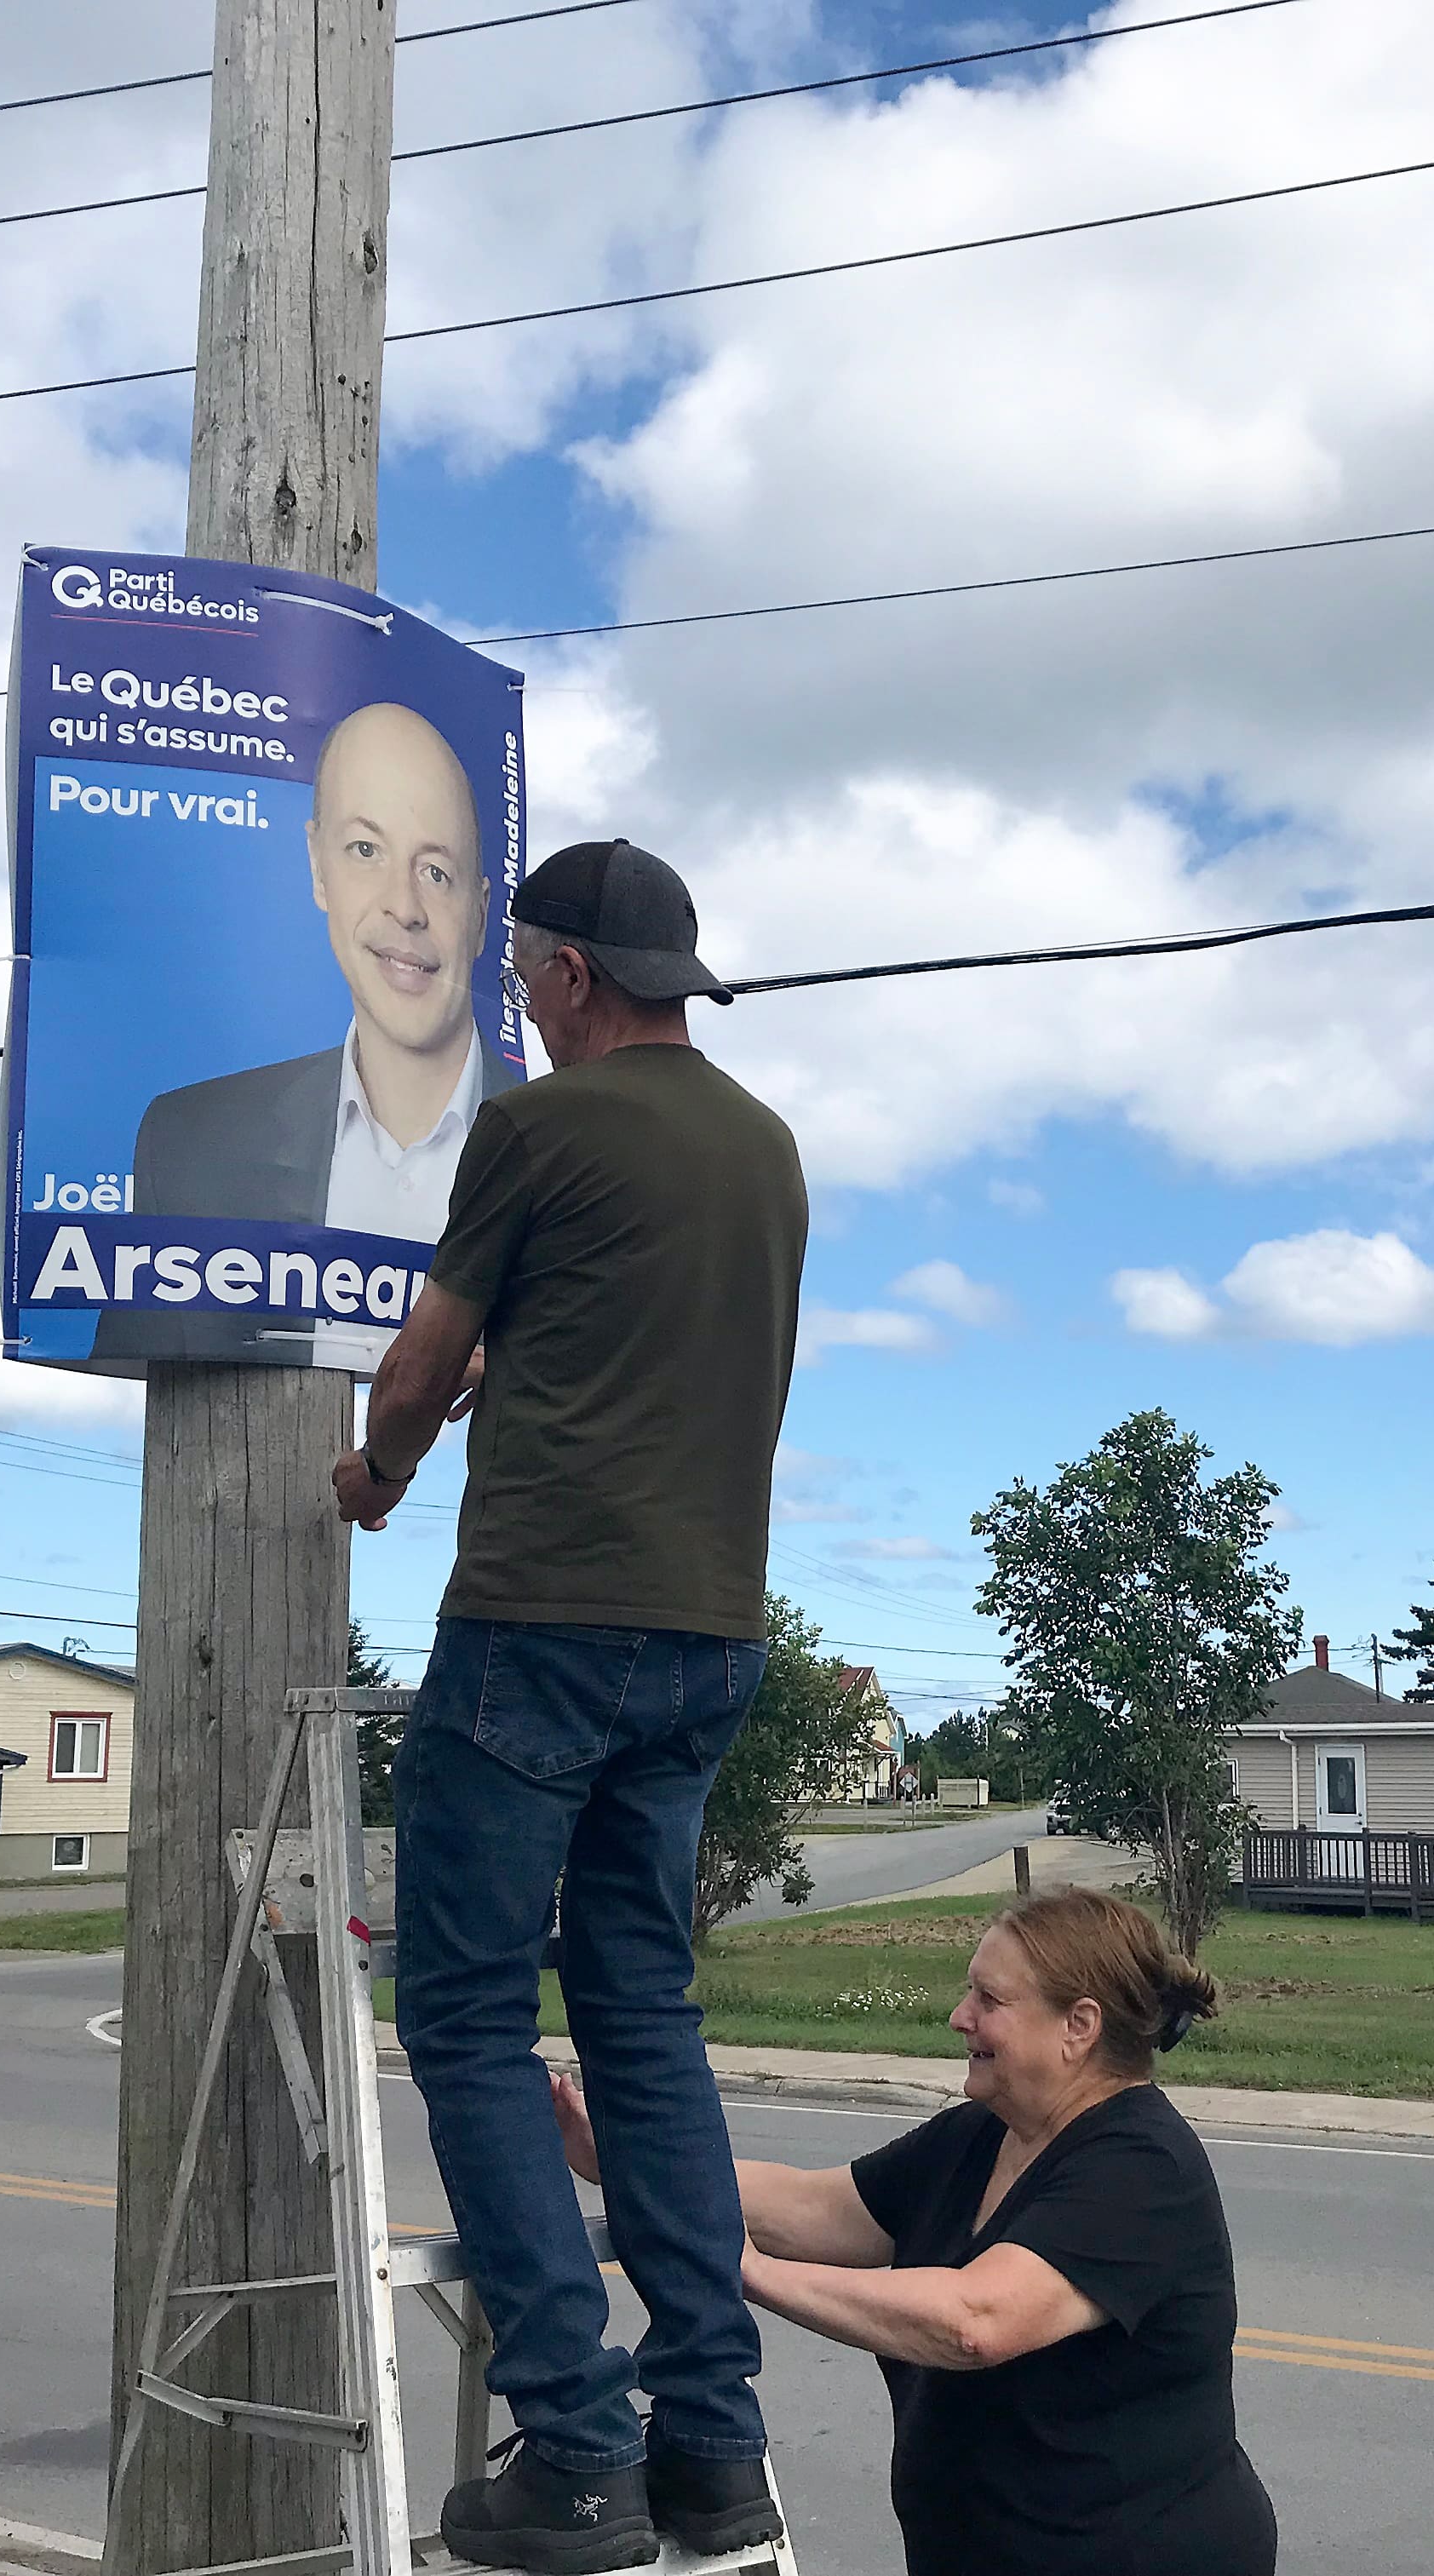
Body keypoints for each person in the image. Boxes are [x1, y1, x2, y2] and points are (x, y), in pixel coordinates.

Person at [332, 837, 807, 2573]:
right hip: (709, 1635)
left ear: (580, 976)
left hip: (543, 1620)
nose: (513, 986)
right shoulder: (765, 1148)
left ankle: (579, 2445)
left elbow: (417, 1363)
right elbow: (587, 1342)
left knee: (460, 2012)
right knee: (642, 2018)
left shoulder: (537, 1131)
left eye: (526, 961)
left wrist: (376, 1471)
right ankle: (712, 2449)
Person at [552, 1888, 1279, 2576]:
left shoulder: (1141, 2165)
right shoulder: (980, 2135)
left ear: (1078, 2027)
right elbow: (810, 2207)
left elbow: (977, 2319)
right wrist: (626, 2163)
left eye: (989, 1999)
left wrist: (748, 2272)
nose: (960, 2016)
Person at [98, 698, 522, 1366]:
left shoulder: (564, 1168)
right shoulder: (188, 1147)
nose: (404, 907)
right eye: (366, 850)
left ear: (480, 910)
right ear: (318, 867)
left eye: (436, 871)